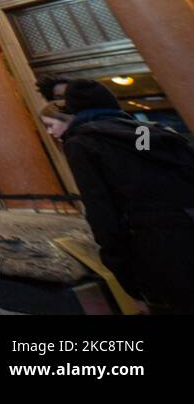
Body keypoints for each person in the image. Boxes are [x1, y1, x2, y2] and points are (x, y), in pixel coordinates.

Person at [43, 78, 194, 313]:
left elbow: (103, 214)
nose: (51, 132)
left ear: (71, 110)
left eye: (51, 125)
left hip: (159, 254)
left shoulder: (84, 142)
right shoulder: (161, 132)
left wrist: (128, 282)